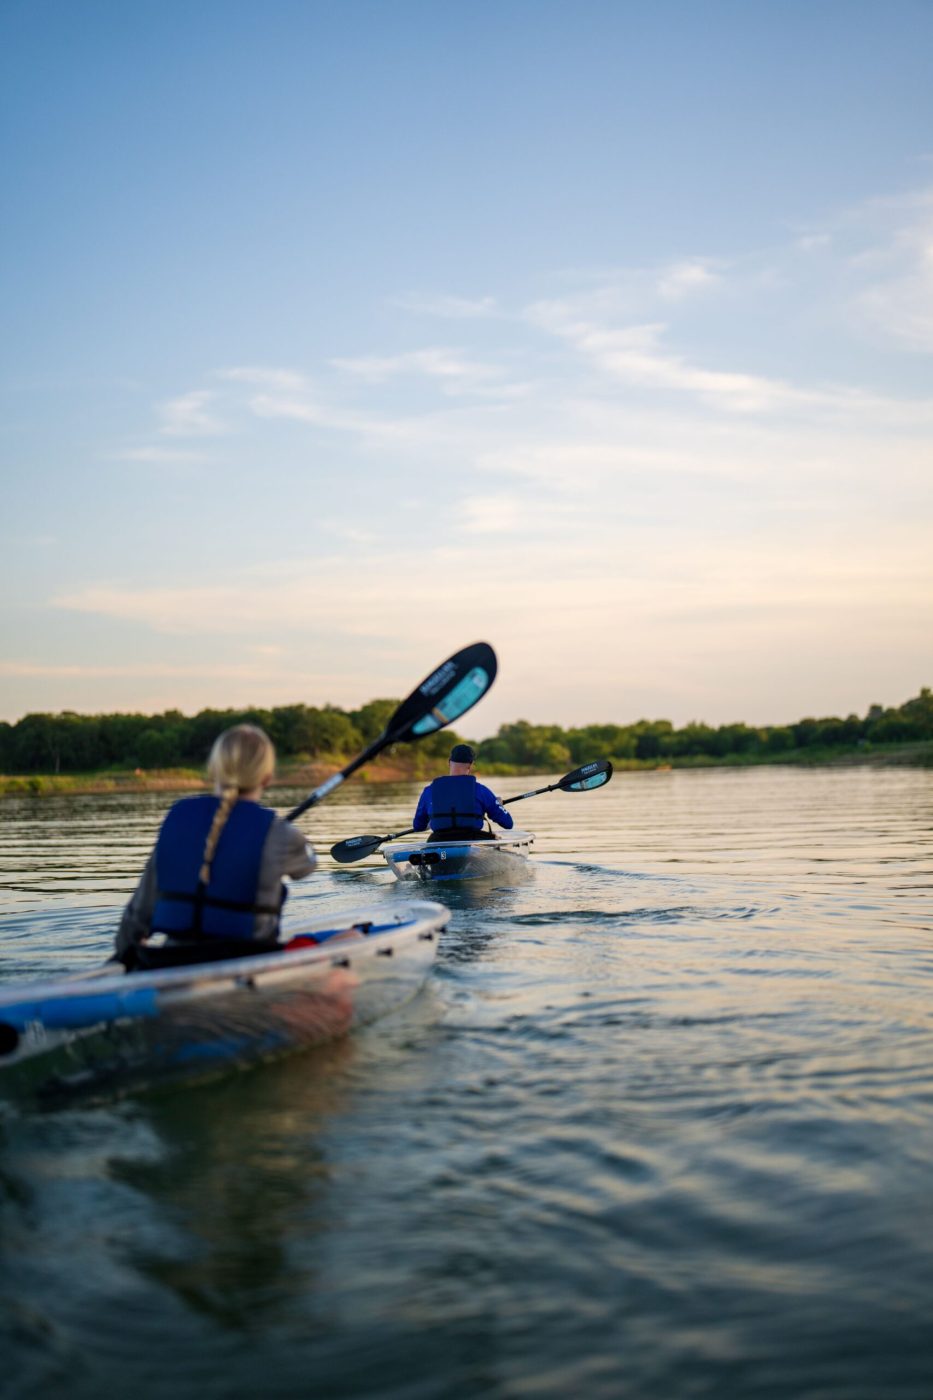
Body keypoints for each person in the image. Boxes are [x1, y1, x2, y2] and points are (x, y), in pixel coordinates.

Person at [115, 724, 316, 969]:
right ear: (267, 778)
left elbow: (139, 911)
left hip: (172, 963)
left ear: (213, 770)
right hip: (251, 963)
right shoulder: (279, 833)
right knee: (352, 937)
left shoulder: (178, 818)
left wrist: (122, 959)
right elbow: (307, 867)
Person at [412, 743, 514, 842]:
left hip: (439, 842)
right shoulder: (481, 791)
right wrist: (498, 805)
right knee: (495, 838)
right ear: (471, 765)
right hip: (471, 840)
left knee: (435, 848)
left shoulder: (429, 791)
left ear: (449, 762)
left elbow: (418, 826)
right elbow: (508, 823)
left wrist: (433, 820)